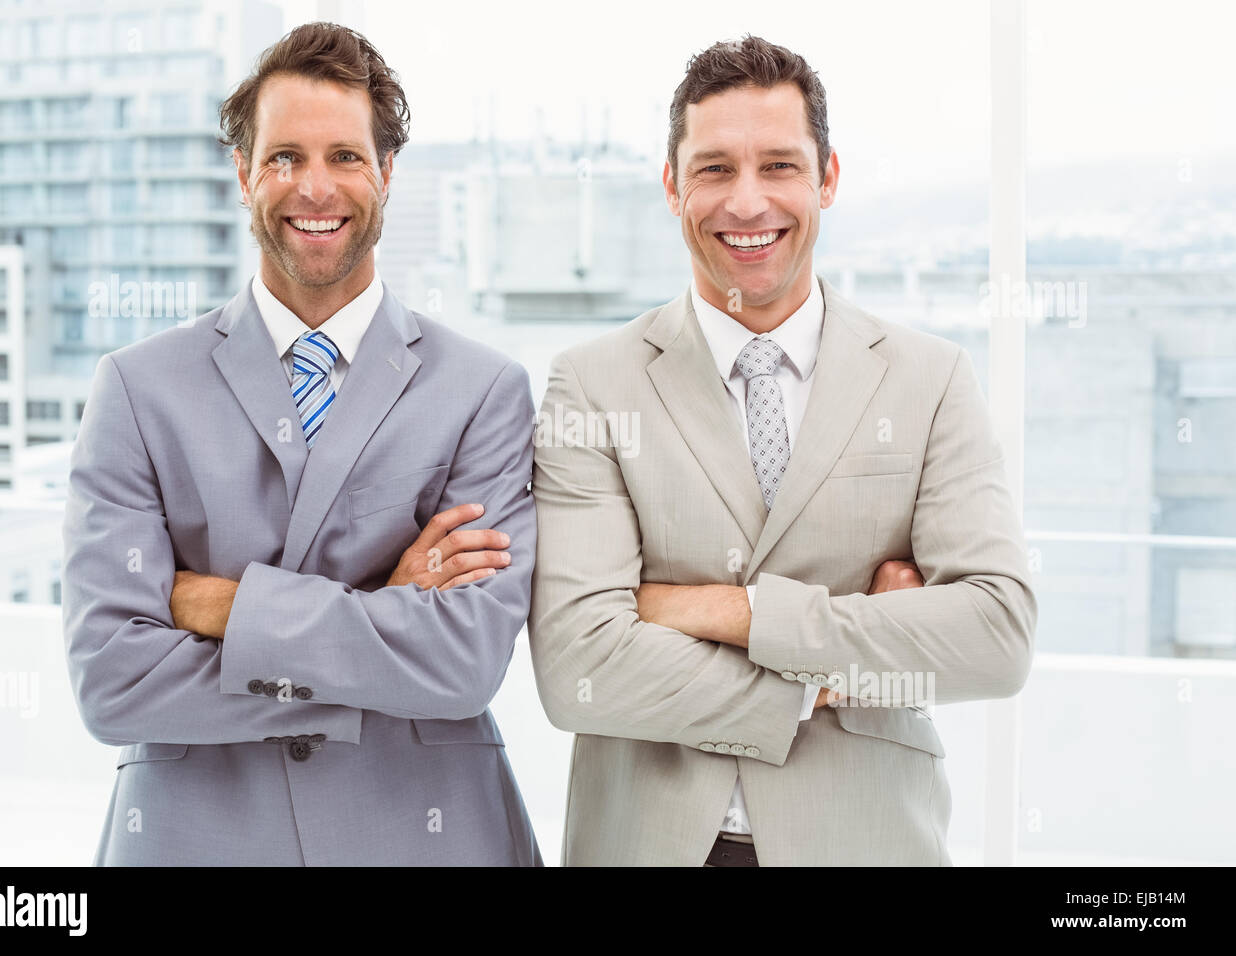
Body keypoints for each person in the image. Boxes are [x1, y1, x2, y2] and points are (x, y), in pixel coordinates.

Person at [528, 35, 1036, 866]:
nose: (748, 202)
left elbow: (996, 637)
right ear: (672, 186)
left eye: (780, 166)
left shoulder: (929, 379)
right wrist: (839, 665)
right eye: (716, 169)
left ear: (827, 179)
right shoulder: (592, 386)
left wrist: (729, 612)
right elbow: (579, 666)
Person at [62, 21, 541, 866]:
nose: (314, 188)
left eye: (345, 157)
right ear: (244, 173)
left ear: (386, 174)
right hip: (196, 839)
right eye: (284, 157)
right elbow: (113, 679)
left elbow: (463, 665)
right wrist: (379, 632)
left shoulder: (483, 392)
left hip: (429, 836)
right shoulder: (136, 390)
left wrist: (219, 606)